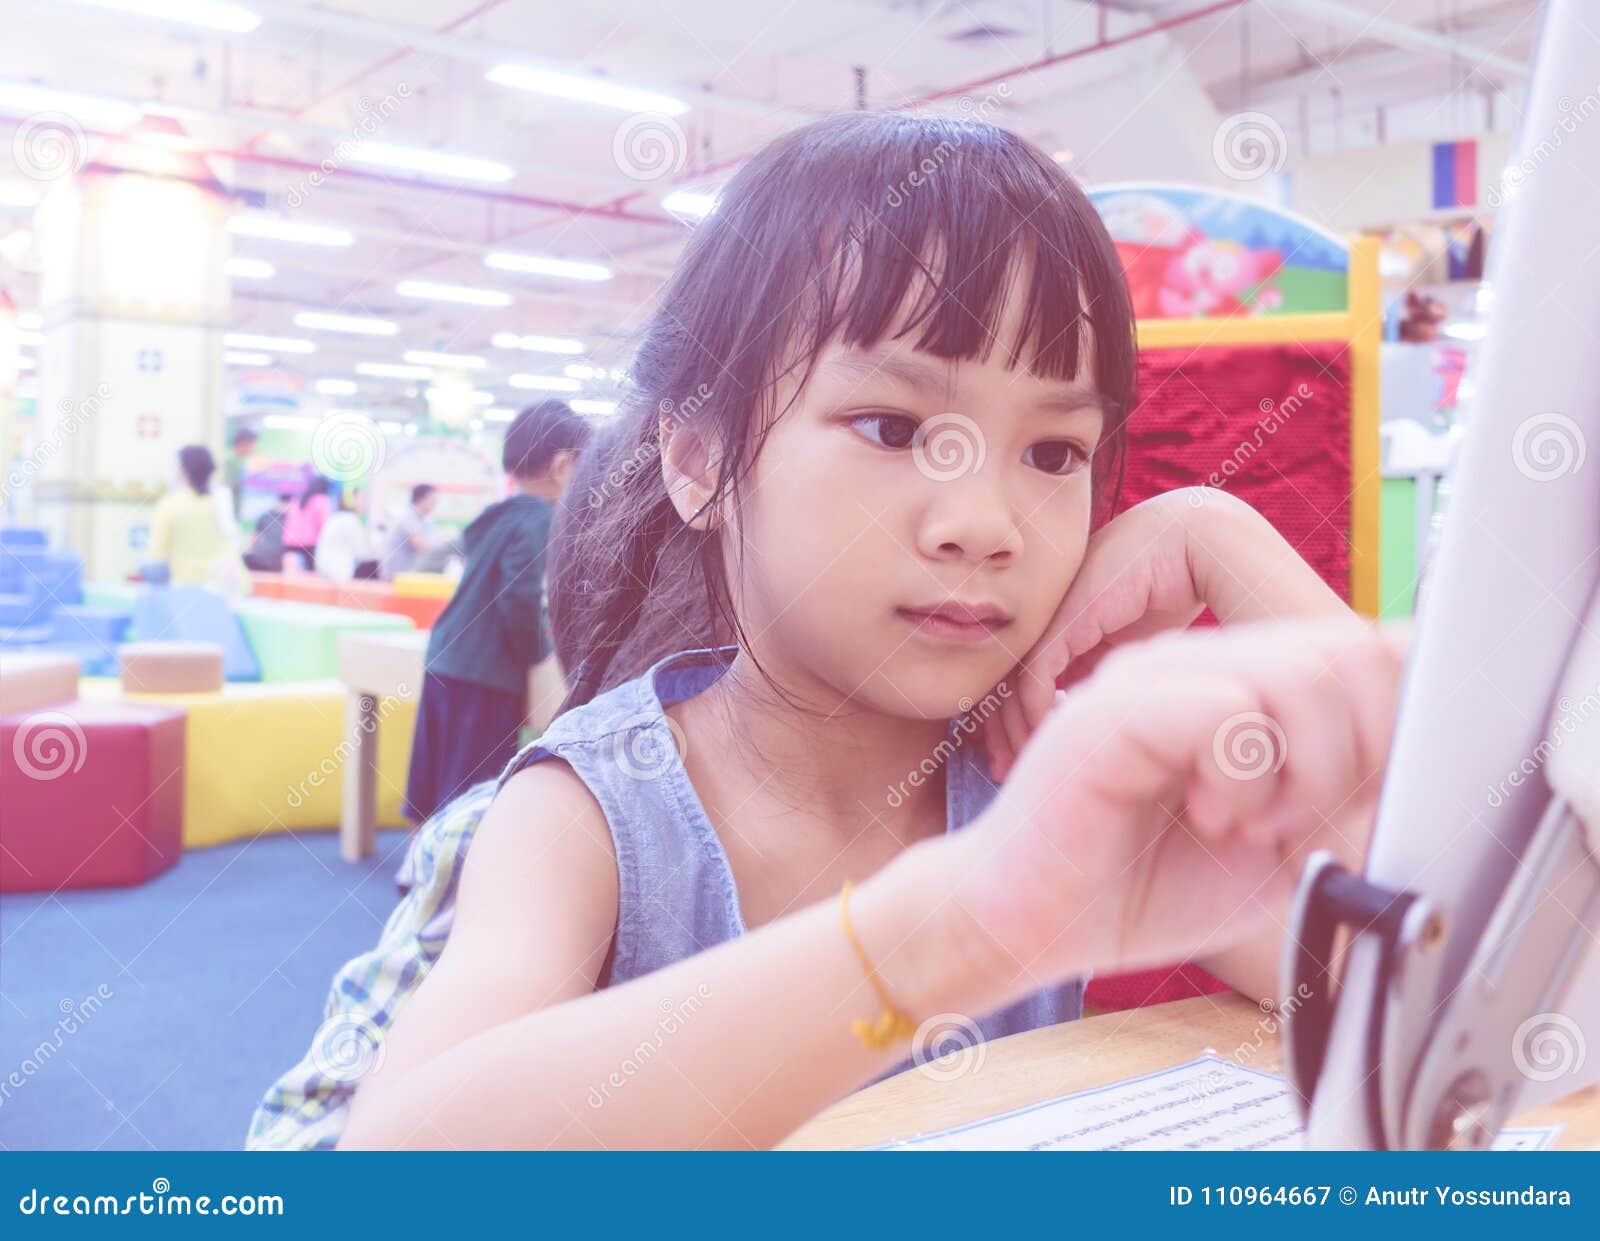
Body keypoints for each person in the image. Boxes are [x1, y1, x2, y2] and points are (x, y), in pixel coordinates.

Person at [248, 115, 1401, 1152]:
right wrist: (955, 920)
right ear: (700, 460)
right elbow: (400, 1166)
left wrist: (1223, 539)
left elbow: (1451, 999)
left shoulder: (1034, 782)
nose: (983, 522)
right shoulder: (594, 810)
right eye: (892, 425)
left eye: (1054, 453)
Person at [389, 400, 589, 828]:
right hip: (486, 674)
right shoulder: (538, 519)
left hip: (447, 656)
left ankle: (419, 876)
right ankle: (456, 886)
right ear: (561, 467)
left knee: (431, 780)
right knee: (473, 795)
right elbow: (517, 598)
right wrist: (538, 652)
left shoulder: (497, 515)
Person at [147, 444, 245, 593]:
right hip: (225, 590)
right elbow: (234, 541)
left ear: (181, 471)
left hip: (185, 591)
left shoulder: (169, 506)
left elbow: (156, 556)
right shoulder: (222, 501)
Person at [314, 487, 376, 582]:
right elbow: (363, 553)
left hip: (324, 570)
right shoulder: (351, 520)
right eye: (361, 499)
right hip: (340, 574)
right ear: (352, 501)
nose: (364, 503)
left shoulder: (334, 518)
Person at [378, 483, 439, 579]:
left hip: (403, 574)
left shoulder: (420, 518)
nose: (435, 503)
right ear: (421, 499)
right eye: (433, 500)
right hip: (395, 576)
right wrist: (443, 545)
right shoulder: (409, 516)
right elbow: (421, 546)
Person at [281, 476, 332, 572]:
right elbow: (325, 524)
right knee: (310, 578)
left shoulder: (298, 499)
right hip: (309, 545)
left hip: (290, 543)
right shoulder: (322, 500)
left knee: (290, 575)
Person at [243, 491, 292, 572]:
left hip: (259, 558)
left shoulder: (265, 515)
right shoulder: (292, 518)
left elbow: (254, 539)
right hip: (279, 563)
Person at [226, 427, 258, 521]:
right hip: (236, 507)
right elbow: (229, 486)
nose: (252, 447)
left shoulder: (252, 459)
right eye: (250, 444)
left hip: (250, 507)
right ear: (241, 444)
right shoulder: (232, 461)